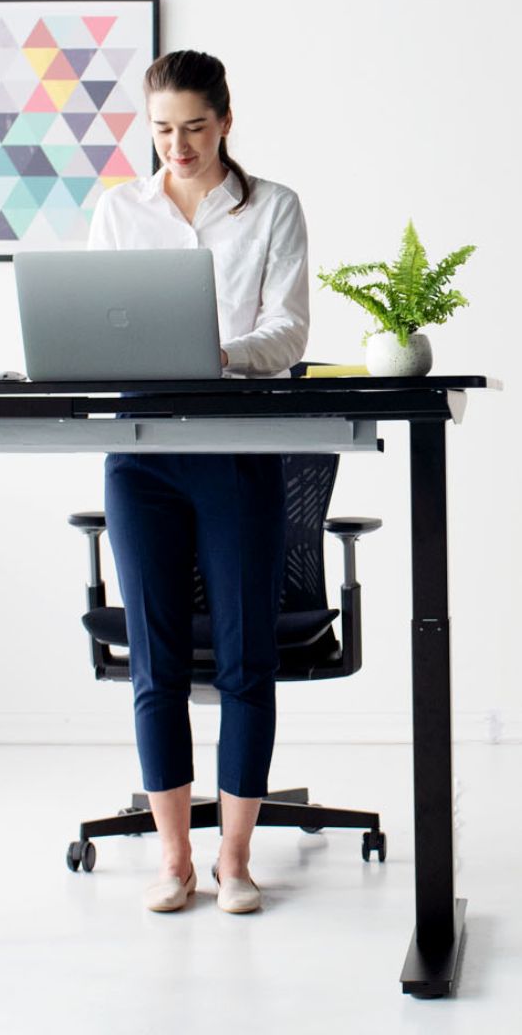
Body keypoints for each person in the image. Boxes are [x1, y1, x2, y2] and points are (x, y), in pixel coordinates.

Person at [87, 49, 310, 915]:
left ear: (225, 122)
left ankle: (236, 861)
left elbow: (288, 331)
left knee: (248, 655)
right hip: (141, 454)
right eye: (161, 130)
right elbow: (98, 325)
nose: (176, 147)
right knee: (158, 661)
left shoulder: (273, 209)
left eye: (192, 128)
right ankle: (175, 859)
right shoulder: (120, 211)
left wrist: (218, 355)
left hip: (237, 446)